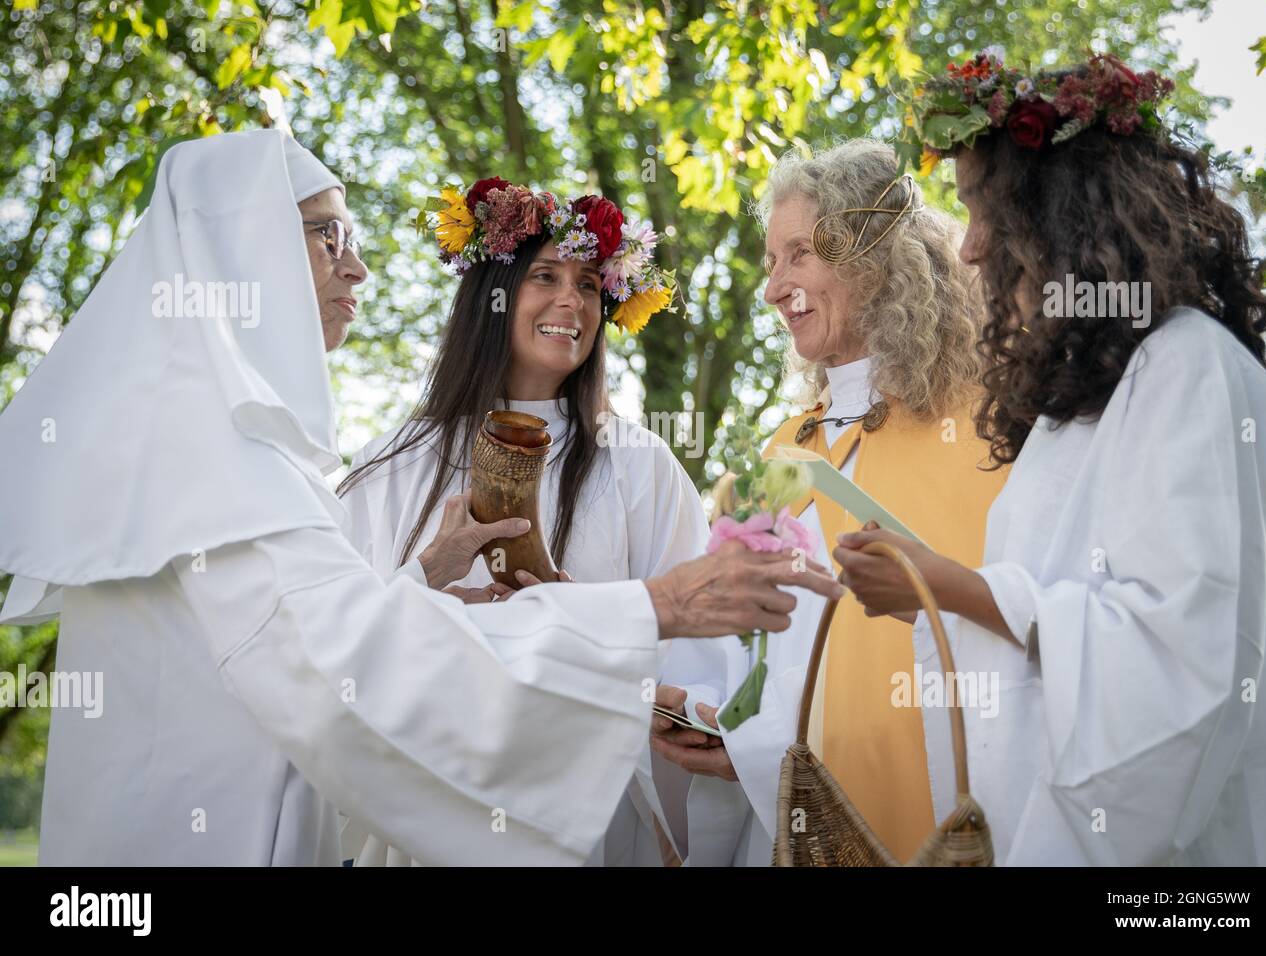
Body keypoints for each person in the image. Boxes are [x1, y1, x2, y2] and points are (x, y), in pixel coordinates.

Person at [0, 129, 841, 865]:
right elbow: (354, 668)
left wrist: (420, 582)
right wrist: (647, 608)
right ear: (242, 250)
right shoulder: (216, 457)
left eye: (590, 284)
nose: (357, 264)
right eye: (327, 234)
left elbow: (319, 646)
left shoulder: (222, 440)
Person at [837, 52, 1266, 864]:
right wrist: (937, 598)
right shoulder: (1074, 404)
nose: (971, 249)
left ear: (1064, 215)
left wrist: (955, 587)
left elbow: (1178, 651)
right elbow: (1056, 610)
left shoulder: (1188, 365)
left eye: (983, 211)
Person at [336, 177, 708, 866]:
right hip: (432, 803)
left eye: (591, 284)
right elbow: (334, 637)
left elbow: (695, 643)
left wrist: (587, 631)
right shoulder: (394, 464)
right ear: (493, 296)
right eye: (544, 276)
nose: (572, 300)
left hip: (583, 813)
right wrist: (434, 595)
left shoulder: (638, 464)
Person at [655, 138, 1006, 864]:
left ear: (872, 259)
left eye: (798, 255)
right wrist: (719, 725)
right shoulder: (781, 451)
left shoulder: (993, 421)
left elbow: (1015, 626)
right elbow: (736, 646)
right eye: (769, 262)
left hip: (950, 811)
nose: (773, 286)